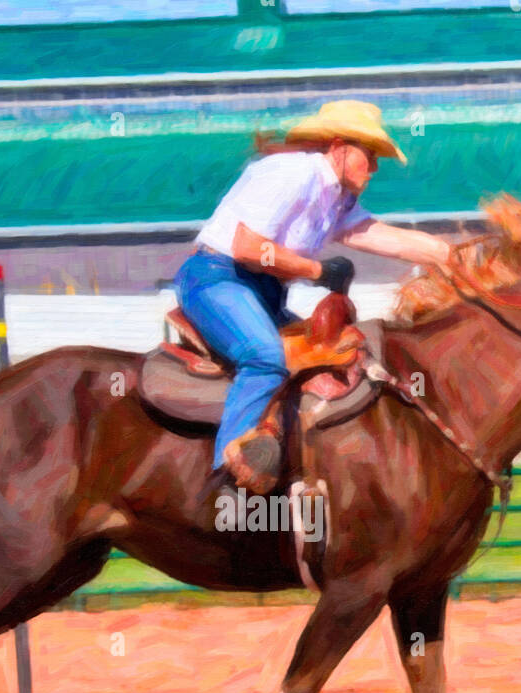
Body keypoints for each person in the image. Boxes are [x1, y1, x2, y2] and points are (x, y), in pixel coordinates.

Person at [174, 100, 454, 495]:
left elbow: (377, 235)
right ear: (339, 146)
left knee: (332, 359)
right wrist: (318, 271)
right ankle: (227, 479)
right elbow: (248, 247)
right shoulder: (293, 173)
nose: (373, 168)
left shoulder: (336, 196)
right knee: (264, 357)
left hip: (257, 291)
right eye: (369, 156)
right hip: (216, 280)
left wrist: (450, 254)